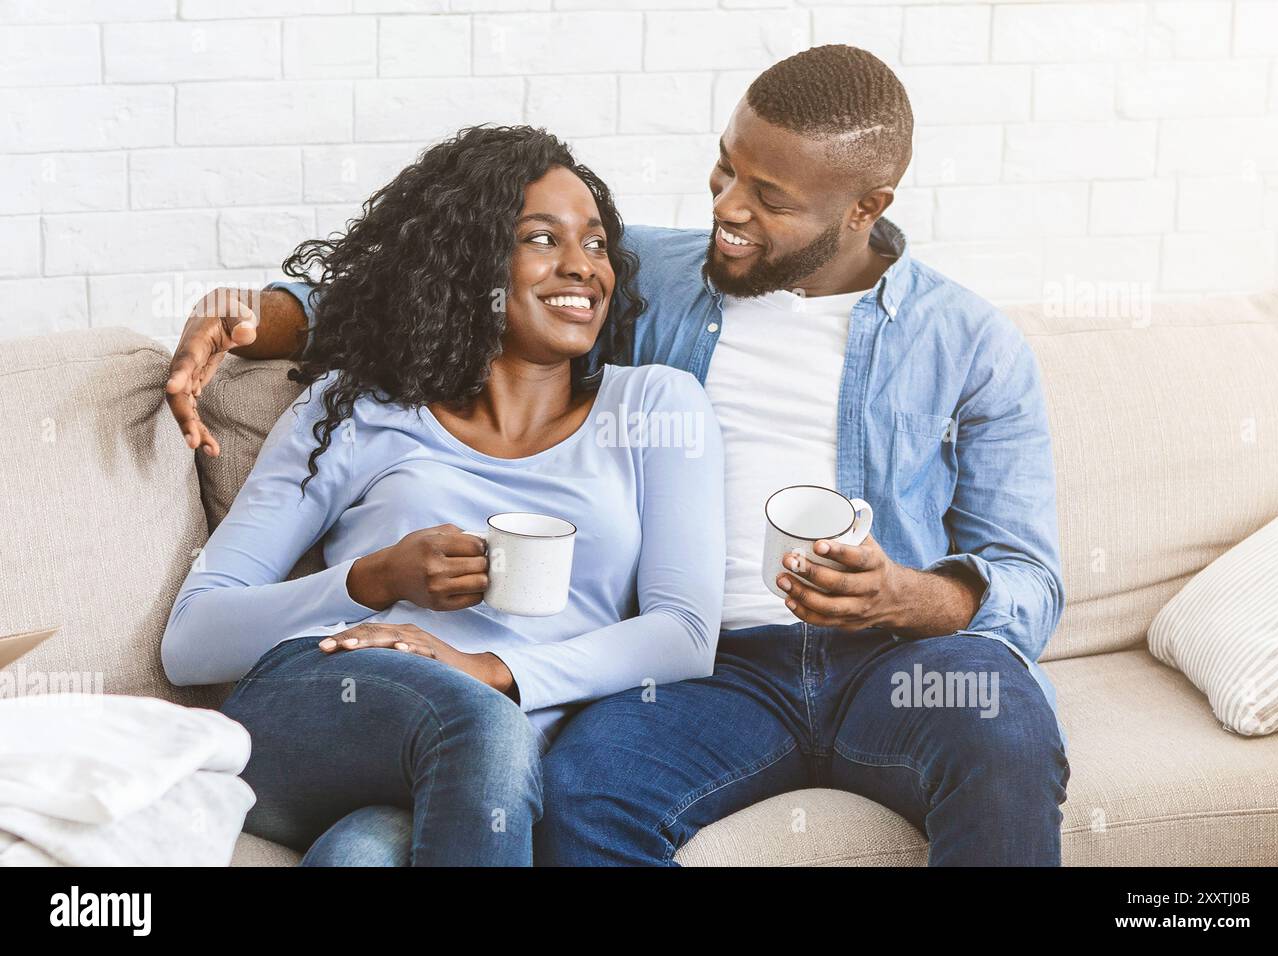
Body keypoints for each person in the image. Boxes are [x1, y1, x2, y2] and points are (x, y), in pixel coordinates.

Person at [165, 45, 1070, 866]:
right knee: (583, 796)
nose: (726, 209)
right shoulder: (659, 277)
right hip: (719, 673)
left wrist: (906, 595)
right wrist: (257, 321)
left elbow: (1027, 576)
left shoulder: (973, 346)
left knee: (1005, 729)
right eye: (725, 168)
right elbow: (436, 271)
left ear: (865, 208)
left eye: (770, 199)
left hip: (889, 653)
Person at [160, 125, 724, 867]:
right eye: (543, 239)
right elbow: (191, 642)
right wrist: (373, 580)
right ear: (470, 261)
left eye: (595, 245)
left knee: (364, 854)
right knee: (482, 730)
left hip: (496, 748)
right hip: (329, 704)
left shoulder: (657, 405)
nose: (583, 267)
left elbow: (684, 633)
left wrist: (493, 671)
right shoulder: (357, 409)